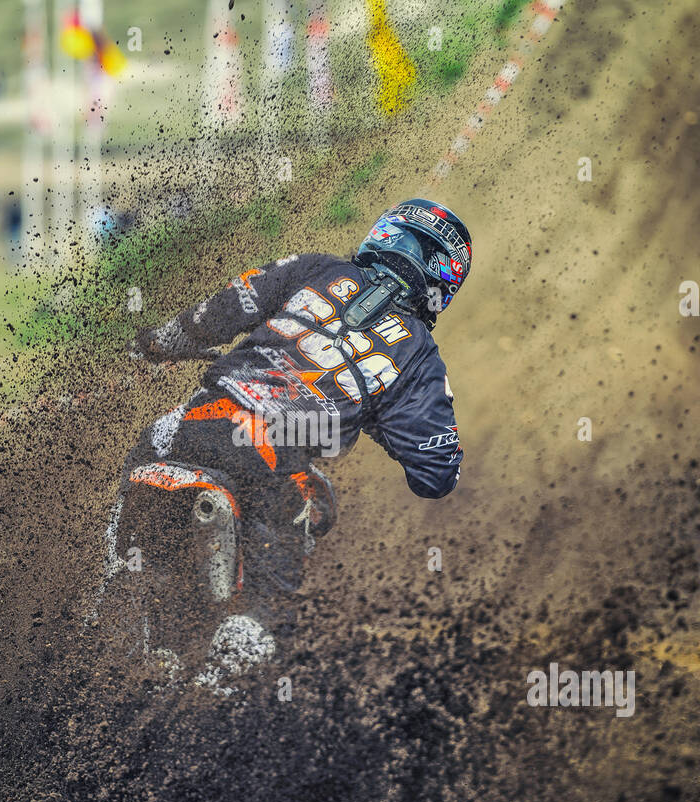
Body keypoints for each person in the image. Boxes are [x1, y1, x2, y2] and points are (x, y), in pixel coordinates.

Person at [118, 198, 471, 679]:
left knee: (153, 442)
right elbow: (435, 474)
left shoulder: (316, 268)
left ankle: (119, 593)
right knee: (273, 607)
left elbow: (223, 309)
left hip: (192, 423)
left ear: (384, 234)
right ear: (443, 281)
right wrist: (379, 419)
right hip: (269, 455)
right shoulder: (419, 359)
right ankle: (218, 693)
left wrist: (159, 342)